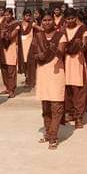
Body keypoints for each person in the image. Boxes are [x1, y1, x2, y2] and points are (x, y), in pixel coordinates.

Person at [32, 15, 66, 149]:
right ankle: (48, 133)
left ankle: (53, 136)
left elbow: (61, 52)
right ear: (41, 22)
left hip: (56, 73)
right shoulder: (38, 36)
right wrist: (39, 56)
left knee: (56, 106)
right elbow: (33, 53)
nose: (47, 22)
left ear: (54, 21)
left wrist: (54, 49)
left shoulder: (60, 36)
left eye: (49, 20)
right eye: (44, 20)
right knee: (45, 105)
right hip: (42, 73)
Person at [63, 9, 87, 129]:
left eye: (72, 18)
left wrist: (79, 45)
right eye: (68, 19)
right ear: (65, 20)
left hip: (77, 61)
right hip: (66, 60)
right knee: (67, 87)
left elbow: (84, 45)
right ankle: (71, 112)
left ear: (76, 18)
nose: (70, 21)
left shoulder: (82, 29)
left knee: (78, 88)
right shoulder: (63, 30)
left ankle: (79, 117)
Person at [0, 8, 20, 98]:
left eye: (8, 15)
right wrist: (1, 34)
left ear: (12, 15)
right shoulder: (2, 23)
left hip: (11, 47)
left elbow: (12, 35)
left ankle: (12, 89)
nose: (7, 16)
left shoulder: (16, 24)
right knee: (4, 69)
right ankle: (7, 87)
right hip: (3, 48)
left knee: (11, 69)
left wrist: (4, 34)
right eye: (5, 15)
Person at [20, 9, 36, 87]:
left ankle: (30, 80)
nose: (28, 17)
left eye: (29, 15)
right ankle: (27, 78)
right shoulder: (20, 24)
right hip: (22, 47)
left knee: (31, 64)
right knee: (24, 64)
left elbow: (39, 31)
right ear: (23, 16)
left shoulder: (33, 24)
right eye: (26, 15)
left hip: (30, 46)